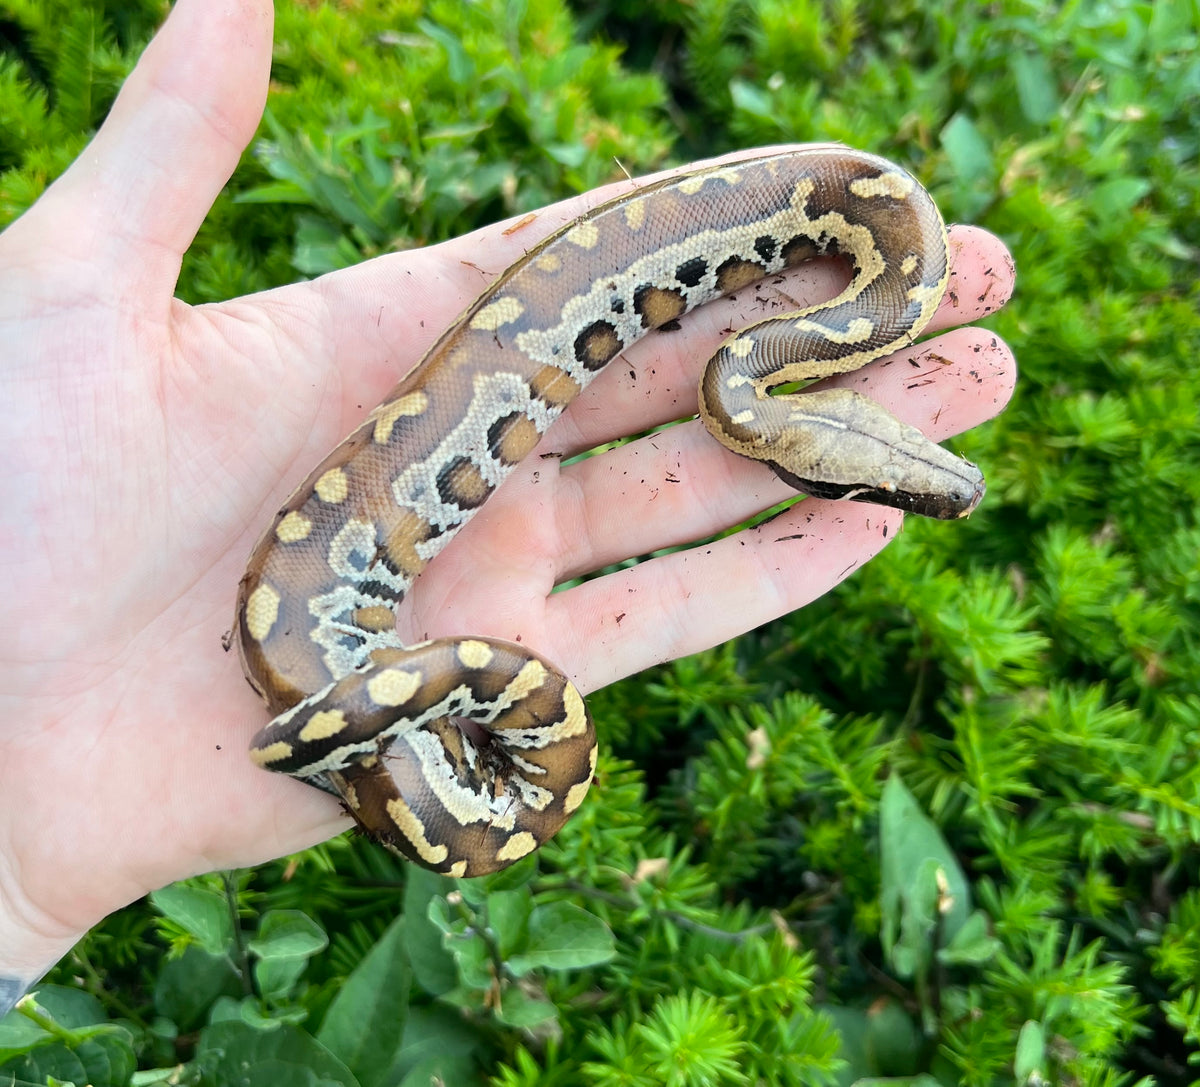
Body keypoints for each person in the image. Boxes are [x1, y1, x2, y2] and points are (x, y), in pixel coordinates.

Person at [0, 0, 1016, 1015]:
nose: (921, 483)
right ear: (823, 467)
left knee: (414, 755)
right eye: (896, 479)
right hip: (329, 646)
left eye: (900, 475)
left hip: (319, 654)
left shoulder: (814, 331)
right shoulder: (761, 365)